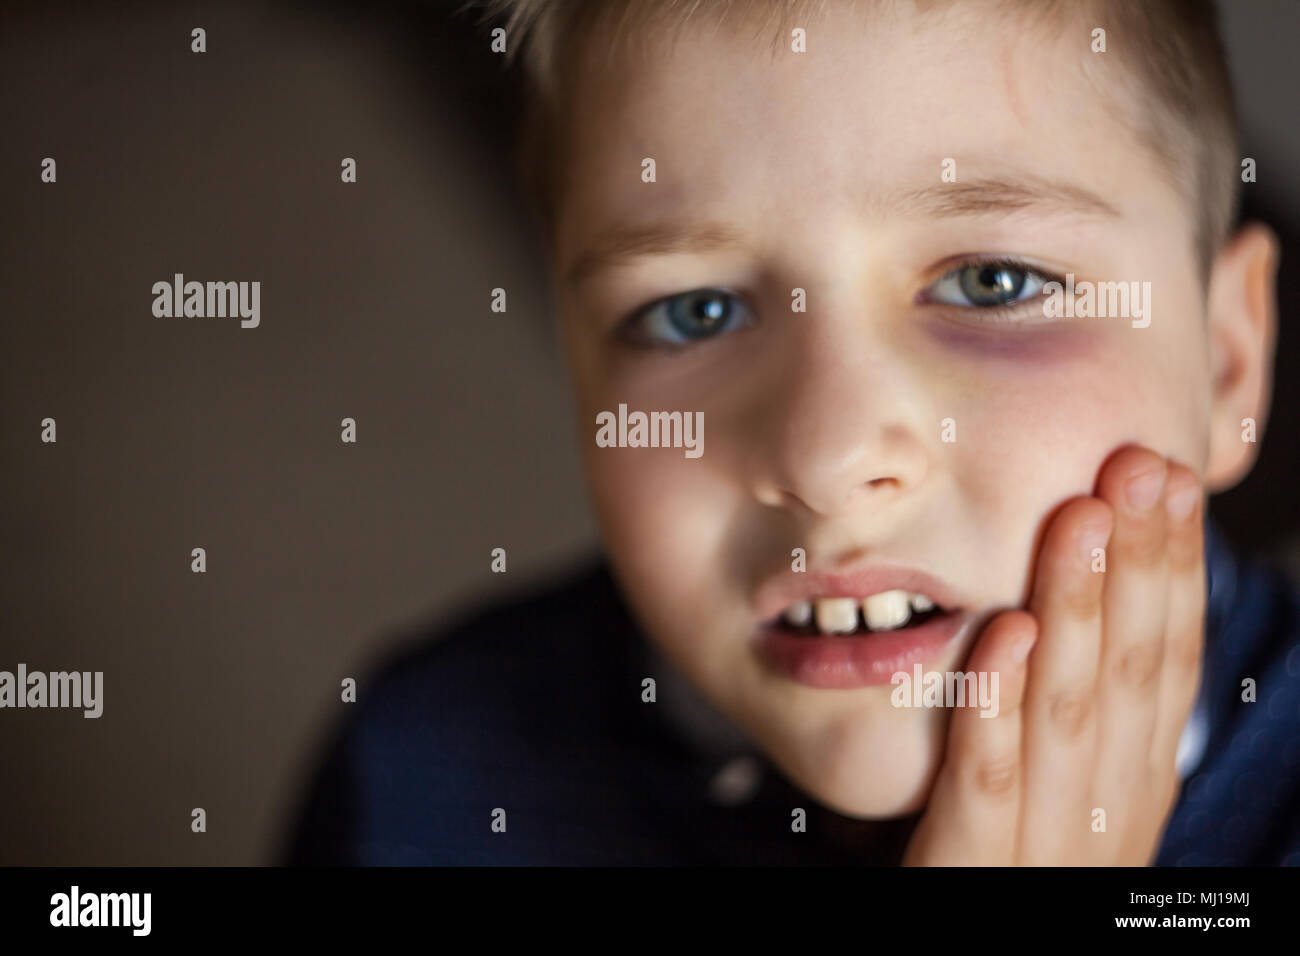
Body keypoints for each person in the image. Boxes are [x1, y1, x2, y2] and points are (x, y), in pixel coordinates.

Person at [285, 0, 1298, 865]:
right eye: (694, 311)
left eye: (993, 282)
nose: (825, 458)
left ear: (1225, 363)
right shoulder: (418, 776)